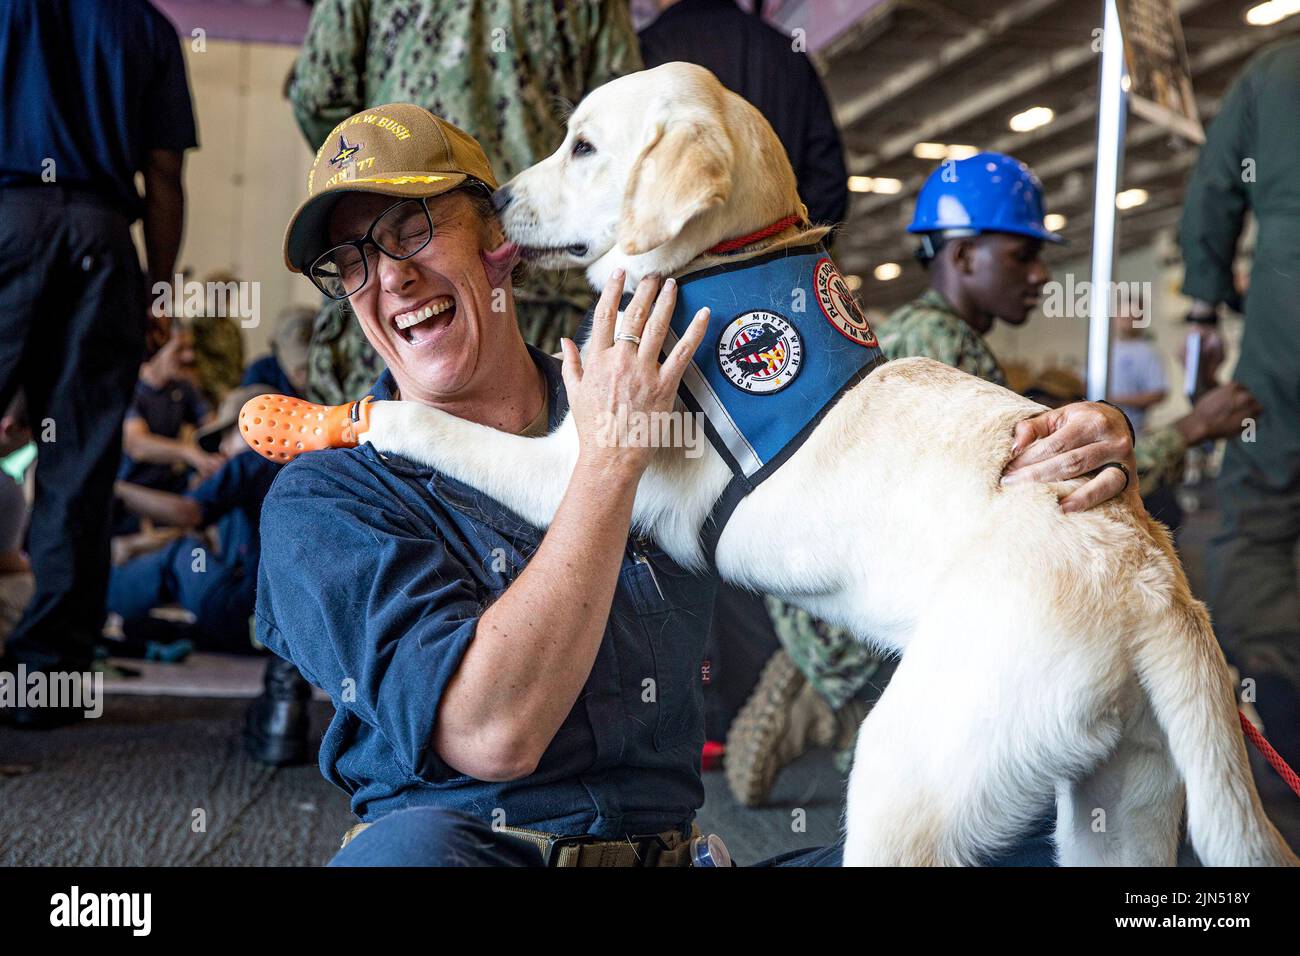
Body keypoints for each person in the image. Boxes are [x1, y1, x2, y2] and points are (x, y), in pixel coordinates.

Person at [255, 105, 1140, 866]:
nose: (390, 277)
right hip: (476, 851)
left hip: (677, 853)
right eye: (352, 263)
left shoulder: (667, 390)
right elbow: (493, 732)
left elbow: (854, 464)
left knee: (1055, 843)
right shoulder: (328, 498)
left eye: (413, 230)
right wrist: (610, 462)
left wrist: (1039, 460)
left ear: (498, 242)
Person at [728, 152, 1263, 807]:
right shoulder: (942, 354)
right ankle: (842, 707)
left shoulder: (924, 337)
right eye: (1021, 257)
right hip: (876, 628)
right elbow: (1044, 499)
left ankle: (835, 690)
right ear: (959, 258)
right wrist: (1187, 433)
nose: (1041, 275)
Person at [286, 0, 643, 410]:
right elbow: (618, 111)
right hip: (543, 263)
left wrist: (376, 183)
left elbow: (318, 94)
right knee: (556, 433)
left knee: (387, 457)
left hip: (395, 271)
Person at [0, 0, 197, 727]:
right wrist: (158, 287)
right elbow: (164, 176)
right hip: (104, 244)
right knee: (77, 467)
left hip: (9, 222)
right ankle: (43, 680)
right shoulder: (145, 28)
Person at [1180, 38, 1300, 769]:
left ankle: (1281, 715)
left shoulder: (1274, 70)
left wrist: (1205, 303)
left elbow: (1215, 191)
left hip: (1287, 307)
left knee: (1257, 515)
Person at [639, 0, 849, 232]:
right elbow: (828, 180)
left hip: (684, 261)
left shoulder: (641, 57)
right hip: (784, 252)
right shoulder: (787, 50)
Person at [110, 386, 281, 654]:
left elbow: (188, 513)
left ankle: (97, 606)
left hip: (246, 612)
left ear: (255, 425)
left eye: (228, 435)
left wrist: (116, 491)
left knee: (182, 554)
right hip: (280, 624)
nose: (223, 448)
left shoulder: (253, 461)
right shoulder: (305, 464)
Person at [117, 326, 222, 503]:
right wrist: (187, 452)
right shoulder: (128, 388)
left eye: (190, 348)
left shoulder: (182, 386)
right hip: (131, 488)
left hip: (168, 483)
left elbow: (210, 424)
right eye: (179, 349)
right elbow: (137, 445)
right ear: (155, 351)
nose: (190, 356)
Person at [1109, 297, 1168, 434]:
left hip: (1132, 430)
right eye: (1123, 312)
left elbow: (1158, 393)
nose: (1127, 317)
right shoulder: (1104, 348)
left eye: (1133, 313)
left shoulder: (1148, 352)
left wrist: (1114, 400)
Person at [241, 305, 315, 398]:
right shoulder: (260, 372)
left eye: (308, 367)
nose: (304, 376)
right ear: (276, 349)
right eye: (300, 369)